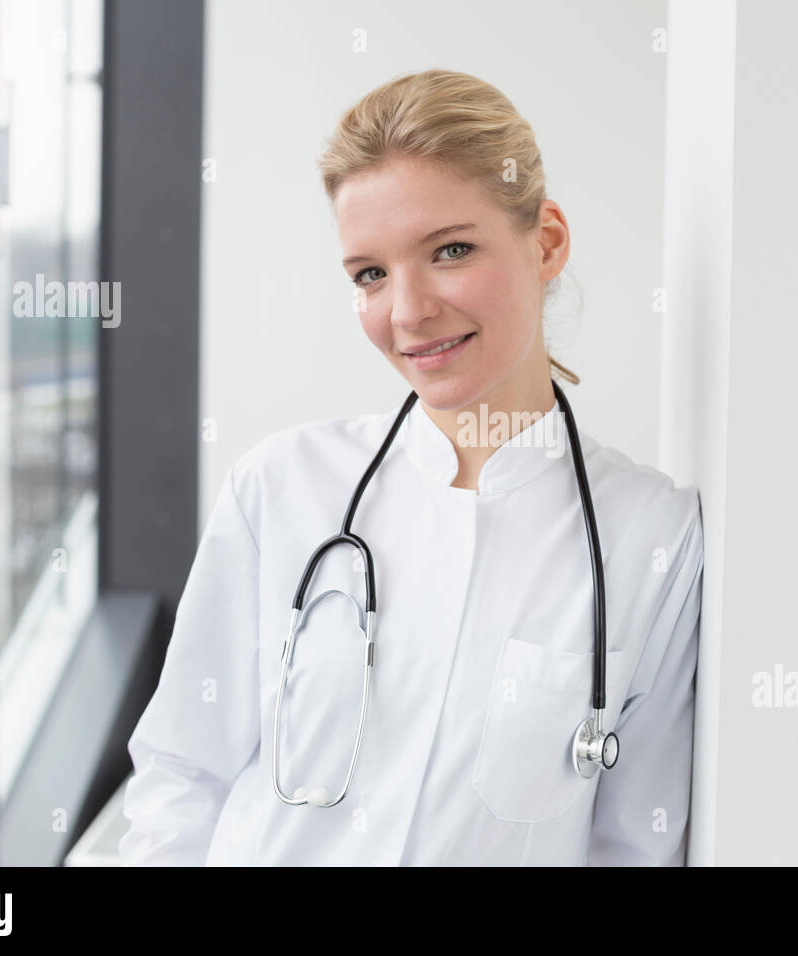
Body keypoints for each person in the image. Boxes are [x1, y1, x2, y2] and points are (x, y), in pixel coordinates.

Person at [119, 68, 704, 866]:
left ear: (548, 242)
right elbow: (182, 775)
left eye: (450, 250)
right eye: (370, 274)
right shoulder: (281, 487)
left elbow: (637, 844)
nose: (408, 310)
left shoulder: (651, 537)